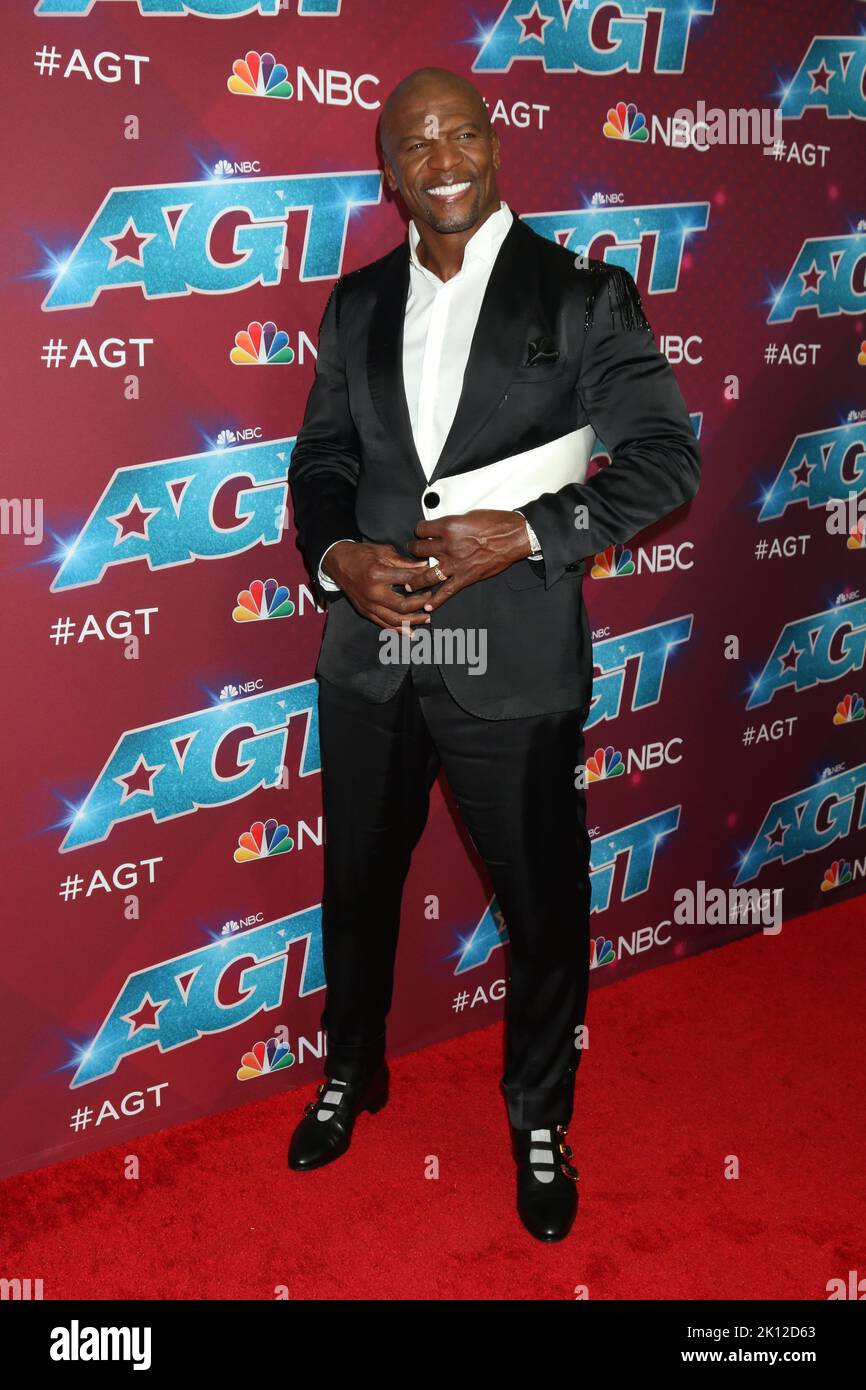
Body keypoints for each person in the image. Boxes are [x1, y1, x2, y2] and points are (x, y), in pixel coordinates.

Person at [286, 67, 700, 1242]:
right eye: (413, 141)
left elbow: (665, 458)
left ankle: (537, 1112)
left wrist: (529, 532)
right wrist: (337, 561)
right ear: (389, 171)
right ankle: (350, 1069)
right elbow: (319, 464)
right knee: (355, 886)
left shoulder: (582, 294)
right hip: (369, 655)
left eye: (459, 130)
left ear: (493, 143)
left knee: (541, 905)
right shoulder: (355, 300)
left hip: (509, 660)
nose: (441, 155)